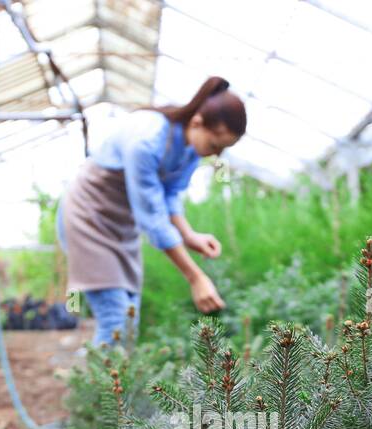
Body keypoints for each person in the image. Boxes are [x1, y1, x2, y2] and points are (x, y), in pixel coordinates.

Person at [57, 76, 246, 345]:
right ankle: (101, 386)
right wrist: (196, 277)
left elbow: (169, 195)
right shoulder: (146, 139)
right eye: (215, 145)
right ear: (196, 122)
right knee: (116, 319)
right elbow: (154, 220)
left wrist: (189, 235)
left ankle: (114, 384)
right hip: (89, 217)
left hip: (121, 223)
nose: (214, 155)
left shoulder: (191, 149)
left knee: (129, 316)